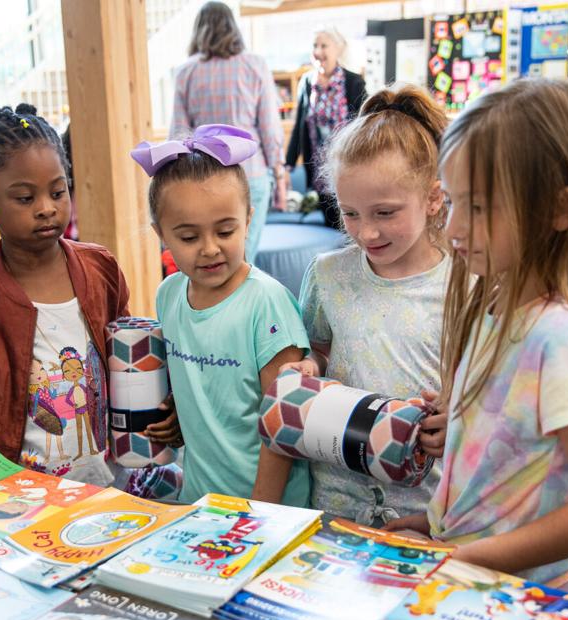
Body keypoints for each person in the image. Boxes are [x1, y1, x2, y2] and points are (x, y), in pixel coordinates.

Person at [385, 79, 568, 596]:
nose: (454, 228)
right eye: (453, 202)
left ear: (559, 208)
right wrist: (437, 526)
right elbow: (505, 462)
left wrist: (471, 554)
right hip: (476, 578)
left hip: (533, 598)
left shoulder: (563, 339)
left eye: (478, 208)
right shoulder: (492, 305)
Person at [279, 84, 451, 526]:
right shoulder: (327, 274)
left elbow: (484, 390)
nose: (366, 233)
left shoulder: (460, 285)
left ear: (433, 198)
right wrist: (308, 368)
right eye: (350, 213)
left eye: (385, 213)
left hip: (426, 507)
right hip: (335, 497)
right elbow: (317, 348)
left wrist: (459, 418)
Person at [0, 104, 128, 485]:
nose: (47, 208)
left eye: (58, 192)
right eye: (25, 199)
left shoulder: (100, 267)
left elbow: (127, 360)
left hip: (110, 478)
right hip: (25, 487)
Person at [131, 125, 312, 506]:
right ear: (161, 233)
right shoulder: (169, 295)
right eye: (189, 237)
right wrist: (178, 413)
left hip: (268, 509)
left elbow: (284, 422)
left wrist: (258, 512)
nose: (210, 249)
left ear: (247, 220)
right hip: (200, 501)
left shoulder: (267, 303)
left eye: (225, 230)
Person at [171, 1, 283, 264]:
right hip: (250, 175)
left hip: (204, 177)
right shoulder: (255, 65)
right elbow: (269, 129)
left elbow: (178, 136)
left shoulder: (186, 72)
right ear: (234, 28)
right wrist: (279, 173)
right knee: (244, 260)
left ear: (199, 30)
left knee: (212, 261)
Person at [283, 27, 368, 230]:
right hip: (320, 168)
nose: (318, 51)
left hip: (349, 165)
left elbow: (365, 124)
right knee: (330, 224)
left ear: (338, 49)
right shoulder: (307, 83)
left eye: (324, 45)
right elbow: (299, 127)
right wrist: (288, 164)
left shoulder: (353, 82)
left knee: (352, 222)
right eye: (315, 46)